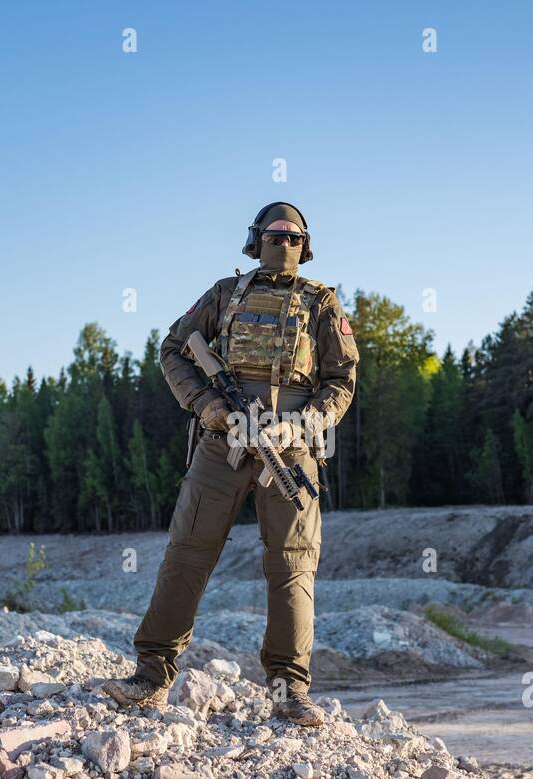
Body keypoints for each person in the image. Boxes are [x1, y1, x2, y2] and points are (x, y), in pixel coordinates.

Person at [101, 202, 359, 726]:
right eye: (274, 234)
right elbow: (173, 349)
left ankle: (288, 691)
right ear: (255, 239)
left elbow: (342, 381)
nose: (283, 244)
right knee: (187, 552)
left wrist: (304, 423)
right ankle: (151, 677)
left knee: (292, 564)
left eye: (292, 237)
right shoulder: (225, 293)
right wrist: (210, 406)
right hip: (223, 441)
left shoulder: (322, 303)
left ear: (305, 246)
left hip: (292, 449)